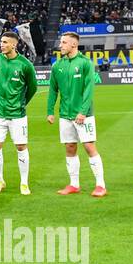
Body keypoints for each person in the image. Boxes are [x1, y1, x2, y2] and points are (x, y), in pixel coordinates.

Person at [45, 32, 106, 197]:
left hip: (83, 115)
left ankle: (101, 185)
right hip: (65, 114)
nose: (60, 45)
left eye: (64, 42)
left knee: (89, 146)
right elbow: (52, 90)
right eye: (61, 42)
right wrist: (50, 111)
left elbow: (89, 89)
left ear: (73, 44)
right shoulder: (57, 66)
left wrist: (82, 112)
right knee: (70, 147)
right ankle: (74, 184)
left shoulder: (85, 63)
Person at [0, 32, 37, 195]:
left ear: (14, 45)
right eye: (1, 42)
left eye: (5, 42)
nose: (1, 44)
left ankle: (24, 183)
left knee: (21, 146)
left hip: (17, 114)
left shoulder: (25, 65)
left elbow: (32, 88)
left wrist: (21, 103)